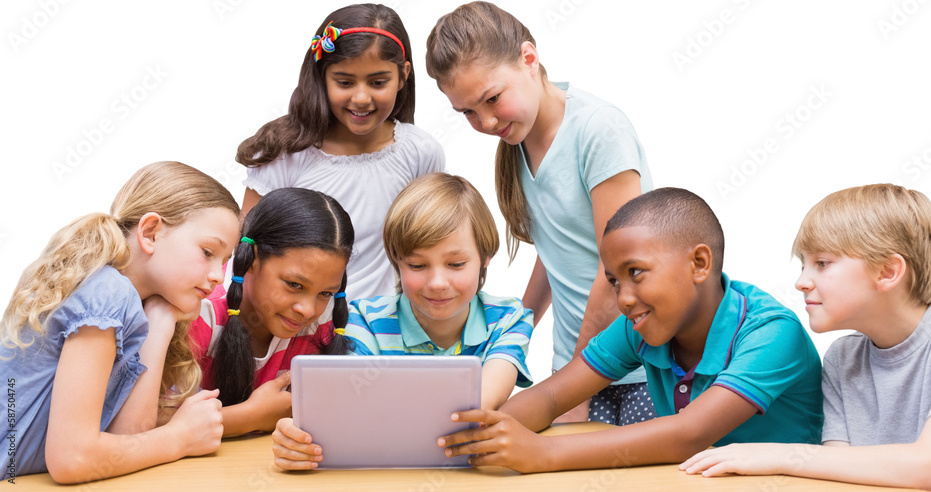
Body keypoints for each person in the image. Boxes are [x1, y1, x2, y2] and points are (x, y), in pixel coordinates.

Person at [434, 188, 823, 473]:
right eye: (615, 281)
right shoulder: (641, 327)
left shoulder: (771, 333)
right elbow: (552, 397)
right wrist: (478, 432)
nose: (623, 297)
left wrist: (543, 454)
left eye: (635, 273)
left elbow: (687, 434)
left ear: (700, 263)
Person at [680, 184, 931, 492]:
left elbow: (929, 468)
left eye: (821, 263)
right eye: (803, 265)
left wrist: (777, 456)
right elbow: (836, 468)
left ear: (888, 272)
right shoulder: (841, 357)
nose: (802, 282)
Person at [426, 1, 654, 425]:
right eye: (468, 113)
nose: (487, 121)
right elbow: (557, 251)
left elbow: (618, 267)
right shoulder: (518, 143)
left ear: (529, 59)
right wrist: (516, 330)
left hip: (641, 367)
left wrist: (576, 388)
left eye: (492, 99)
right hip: (576, 365)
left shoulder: (598, 131)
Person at [270, 173, 534, 470]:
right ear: (396, 261)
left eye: (456, 264)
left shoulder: (509, 319)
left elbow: (479, 405)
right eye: (417, 265)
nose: (436, 282)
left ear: (486, 256)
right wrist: (297, 436)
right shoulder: (365, 318)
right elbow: (348, 408)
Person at [0, 161, 238, 483]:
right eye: (208, 252)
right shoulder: (107, 292)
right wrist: (178, 439)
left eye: (225, 262)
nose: (217, 277)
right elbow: (72, 458)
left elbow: (129, 436)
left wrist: (162, 319)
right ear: (150, 232)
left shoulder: (133, 304)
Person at [238, 3, 444, 302]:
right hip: (295, 323)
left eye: (378, 82)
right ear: (322, 77)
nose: (361, 98)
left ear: (403, 76)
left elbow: (427, 246)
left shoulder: (420, 152)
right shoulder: (284, 151)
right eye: (345, 82)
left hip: (381, 328)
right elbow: (247, 248)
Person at [189, 188, 355, 436]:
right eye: (294, 285)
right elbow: (158, 424)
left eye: (325, 293)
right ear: (251, 261)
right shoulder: (199, 317)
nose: (307, 310)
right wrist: (252, 416)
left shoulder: (318, 328)